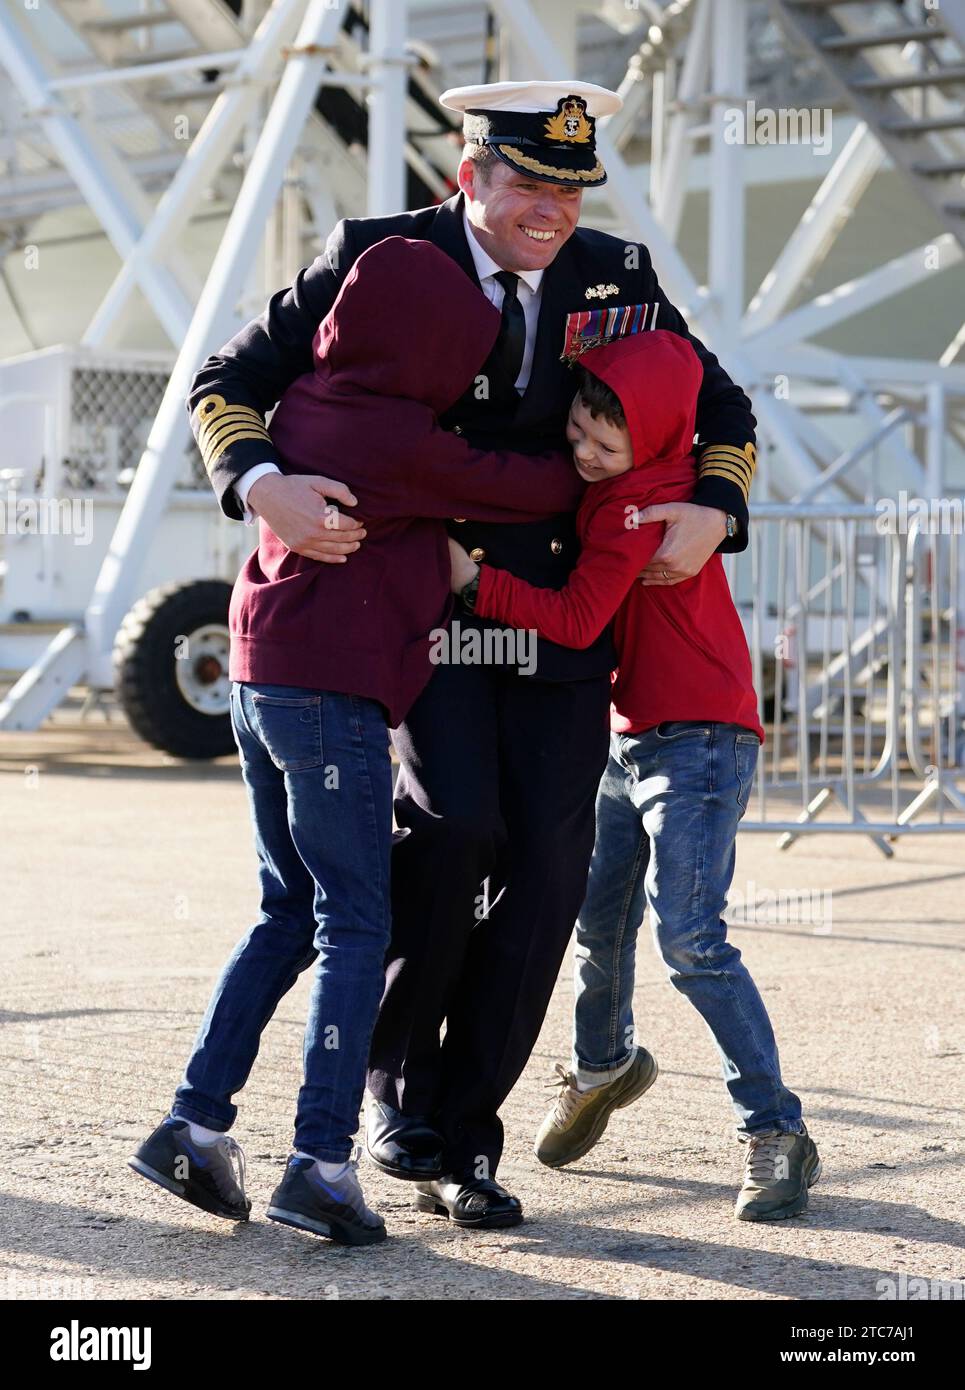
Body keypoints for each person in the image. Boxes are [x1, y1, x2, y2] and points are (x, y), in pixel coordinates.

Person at [187, 78, 759, 1230]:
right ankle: (395, 1098)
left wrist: (712, 504)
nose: (550, 209)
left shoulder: (618, 277)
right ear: (469, 171)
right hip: (426, 618)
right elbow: (227, 381)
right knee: (448, 842)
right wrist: (265, 487)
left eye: (567, 186)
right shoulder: (376, 253)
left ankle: (464, 1134)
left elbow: (723, 406)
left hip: (560, 619)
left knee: (548, 876)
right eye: (526, 183)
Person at [129, 236, 586, 1246]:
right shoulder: (403, 442)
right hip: (331, 696)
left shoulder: (303, 404)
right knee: (355, 926)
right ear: (427, 352)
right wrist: (604, 453)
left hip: (259, 676)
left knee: (285, 909)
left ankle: (194, 1126)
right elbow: (534, 487)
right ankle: (320, 1162)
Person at [448, 328, 821, 1222]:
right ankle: (604, 1062)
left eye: (601, 444)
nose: (580, 451)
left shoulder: (635, 511)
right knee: (596, 918)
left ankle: (775, 1130)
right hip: (631, 733)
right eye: (575, 430)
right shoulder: (633, 486)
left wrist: (473, 582)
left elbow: (576, 619)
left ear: (652, 438)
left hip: (697, 738)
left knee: (689, 938)